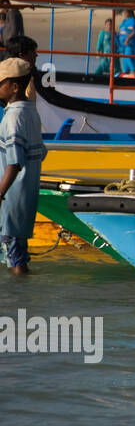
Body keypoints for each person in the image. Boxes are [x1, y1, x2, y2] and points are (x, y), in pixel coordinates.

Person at [0, 58, 45, 275]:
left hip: (12, 197)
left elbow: (15, 161)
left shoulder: (13, 117)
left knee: (15, 258)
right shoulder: (30, 111)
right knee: (16, 251)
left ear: (15, 87)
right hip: (25, 194)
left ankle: (19, 300)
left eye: (2, 83)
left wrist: (0, 192)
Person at [5, 35, 39, 103]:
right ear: (21, 55)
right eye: (33, 52)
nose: (36, 55)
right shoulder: (25, 77)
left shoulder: (34, 74)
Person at [116, 9, 135, 76]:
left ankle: (134, 74)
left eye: (125, 12)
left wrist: (128, 39)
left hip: (130, 44)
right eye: (123, 12)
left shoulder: (133, 20)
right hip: (122, 45)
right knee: (125, 60)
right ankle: (126, 73)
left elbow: (134, 32)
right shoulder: (124, 21)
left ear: (129, 12)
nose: (124, 13)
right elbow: (122, 30)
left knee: (129, 57)